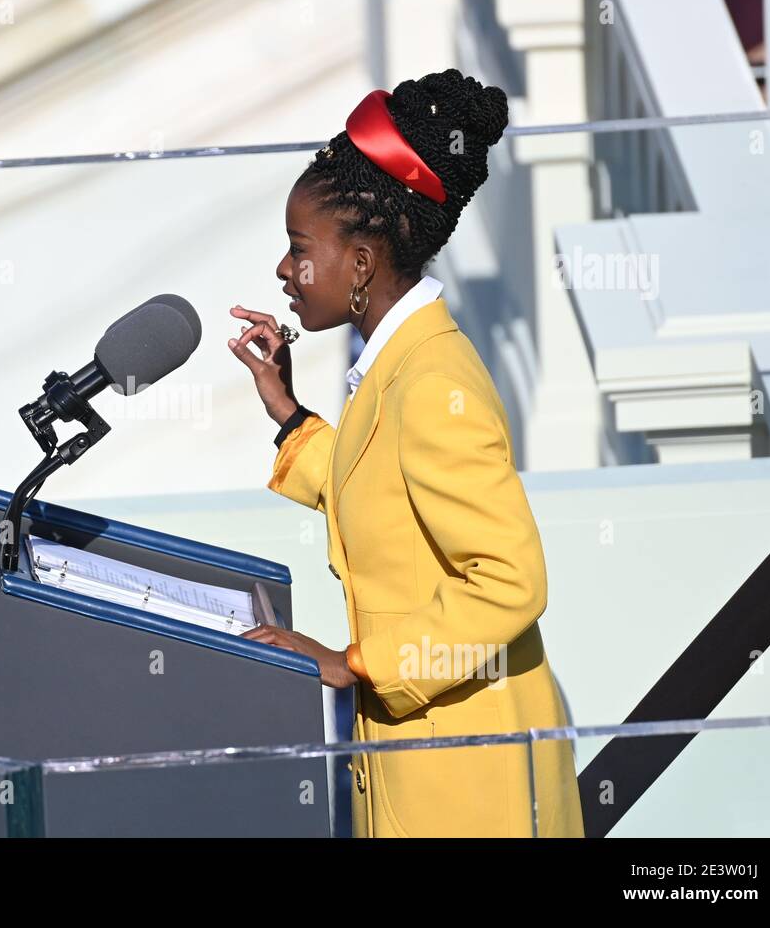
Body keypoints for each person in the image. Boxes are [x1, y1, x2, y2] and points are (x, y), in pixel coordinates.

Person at [227, 69, 583, 838]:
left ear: (359, 265)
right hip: (422, 772)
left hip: (469, 789)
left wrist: (356, 663)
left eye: (298, 250)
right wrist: (288, 414)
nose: (285, 271)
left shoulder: (430, 383)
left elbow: (511, 581)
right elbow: (377, 486)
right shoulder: (397, 364)